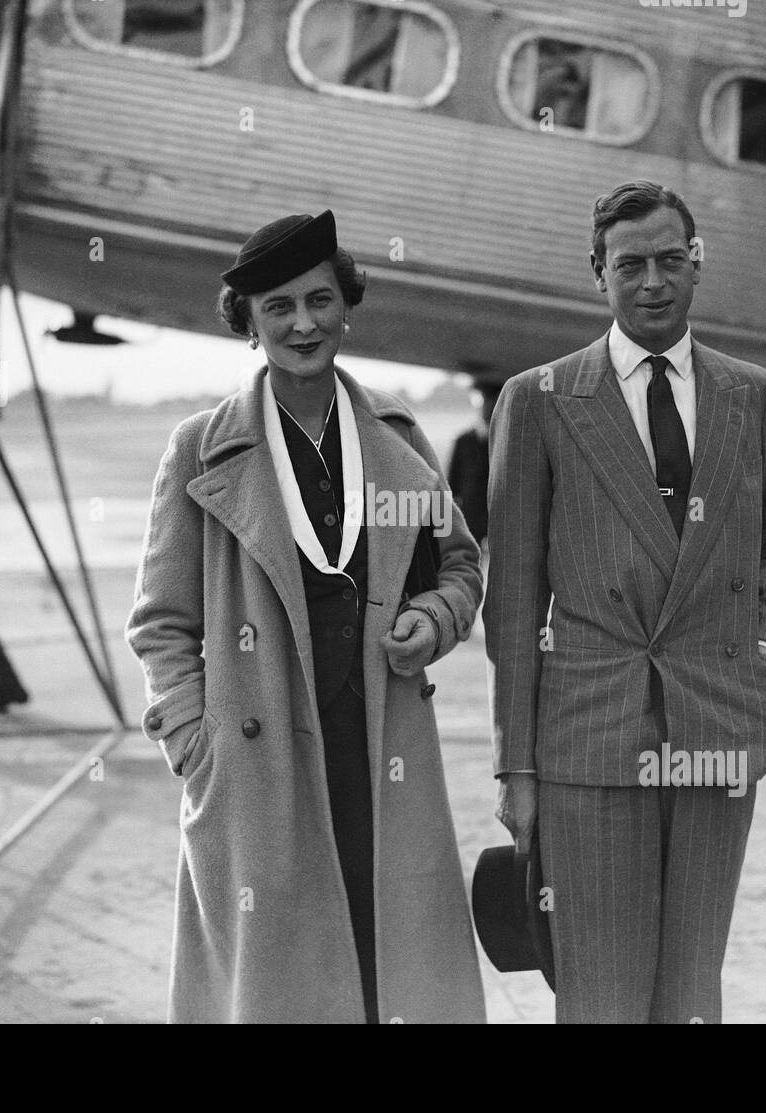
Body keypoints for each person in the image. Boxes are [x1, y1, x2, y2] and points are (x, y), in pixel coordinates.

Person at [126, 210, 485, 1024]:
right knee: (279, 985)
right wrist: (197, 744)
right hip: (258, 764)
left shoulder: (396, 436)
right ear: (248, 322)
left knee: (388, 960)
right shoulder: (197, 449)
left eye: (320, 300)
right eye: (278, 306)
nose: (303, 322)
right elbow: (160, 623)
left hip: (379, 745)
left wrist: (432, 618)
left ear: (346, 307)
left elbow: (463, 566)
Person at [485, 181, 766, 1023]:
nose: (653, 281)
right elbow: (513, 603)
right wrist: (517, 766)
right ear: (599, 275)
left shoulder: (752, 395)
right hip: (591, 737)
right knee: (603, 993)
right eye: (631, 265)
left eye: (670, 260)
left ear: (697, 265)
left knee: (693, 988)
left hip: (718, 728)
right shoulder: (540, 399)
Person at [447, 381, 501, 549]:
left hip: (497, 514)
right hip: (471, 513)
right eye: (486, 402)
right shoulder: (464, 440)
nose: (488, 407)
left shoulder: (506, 439)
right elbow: (453, 479)